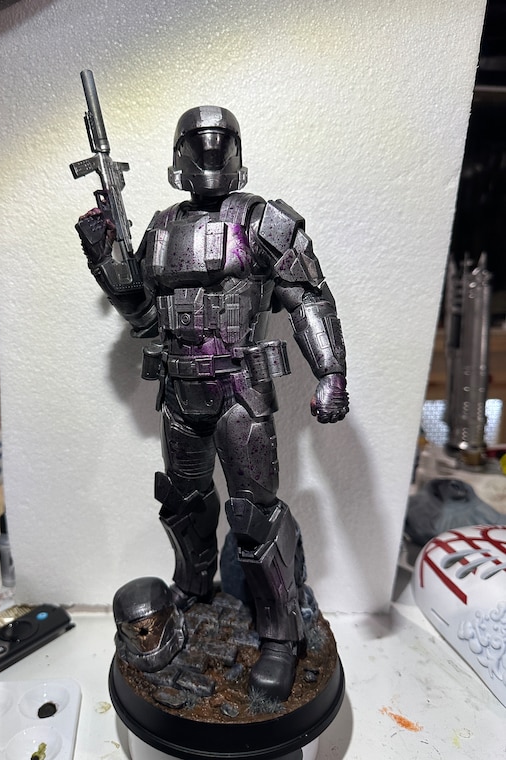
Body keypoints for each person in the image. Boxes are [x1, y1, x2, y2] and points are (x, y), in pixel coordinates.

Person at [76, 105, 348, 701]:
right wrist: (108, 263)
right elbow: (146, 319)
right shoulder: (161, 228)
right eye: (197, 145)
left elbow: (309, 299)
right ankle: (194, 587)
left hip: (240, 393)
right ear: (178, 156)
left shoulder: (263, 222)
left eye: (218, 144)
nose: (208, 154)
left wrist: (330, 372)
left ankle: (280, 635)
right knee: (185, 504)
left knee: (254, 514)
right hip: (179, 393)